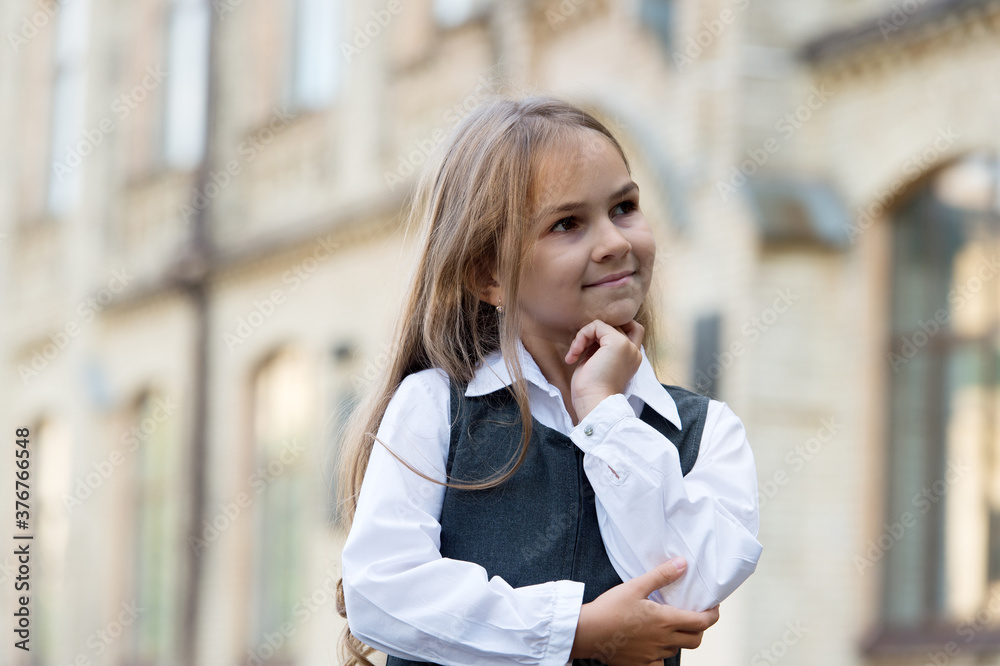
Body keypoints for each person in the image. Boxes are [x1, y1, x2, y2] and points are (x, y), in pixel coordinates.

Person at [335, 95, 762, 666]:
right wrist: (571, 631)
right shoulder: (434, 407)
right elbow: (381, 591)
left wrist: (605, 413)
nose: (613, 242)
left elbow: (690, 586)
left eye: (625, 207)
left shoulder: (705, 432)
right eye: (568, 224)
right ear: (489, 274)